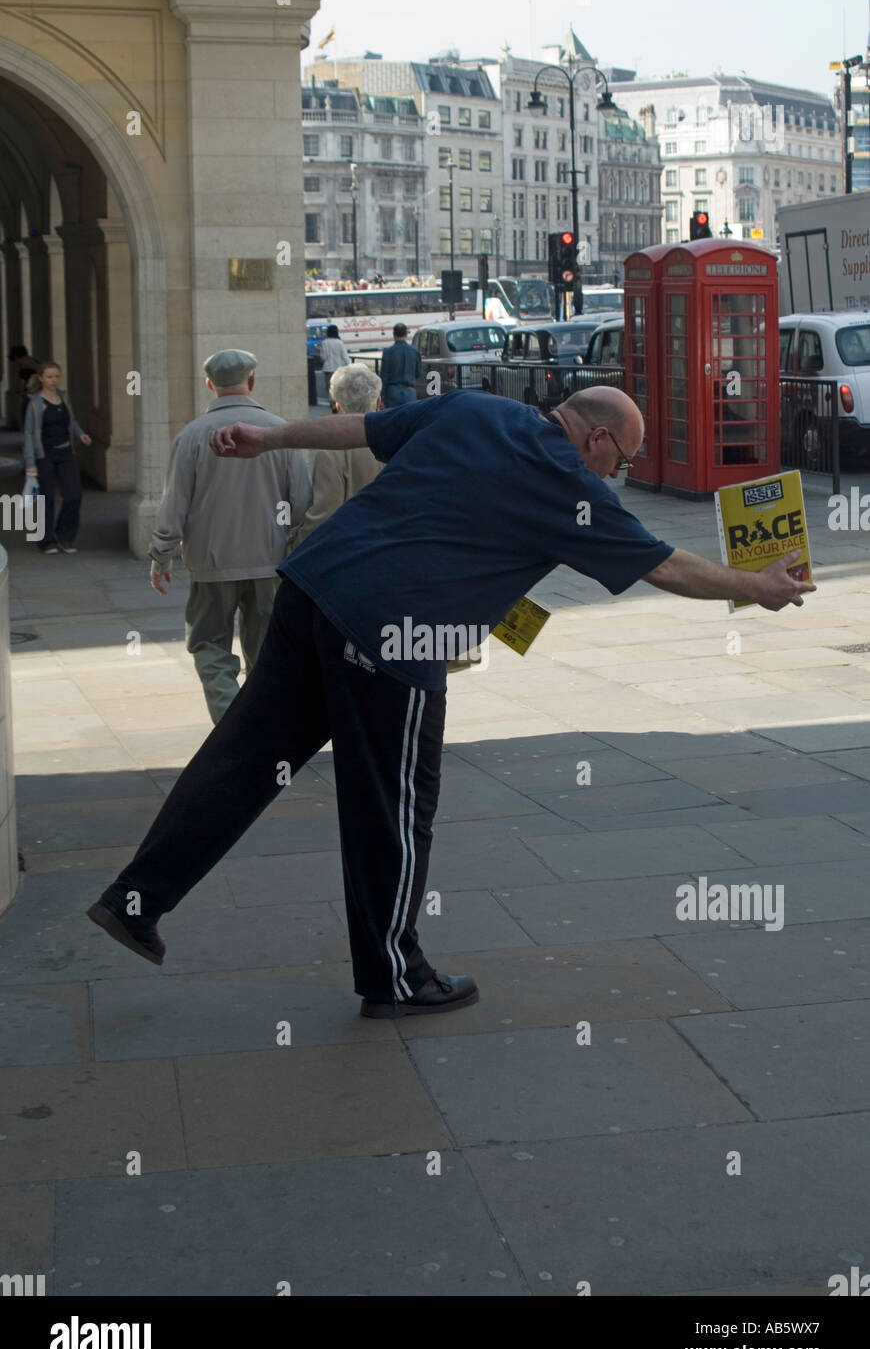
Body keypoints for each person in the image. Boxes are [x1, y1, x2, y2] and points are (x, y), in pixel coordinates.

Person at [87, 387, 815, 1020]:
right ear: (594, 438)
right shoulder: (571, 483)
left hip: (312, 589)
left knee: (242, 759)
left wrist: (267, 437)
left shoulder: (475, 410)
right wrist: (760, 587)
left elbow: (364, 428)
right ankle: (396, 976)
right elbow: (666, 564)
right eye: (620, 461)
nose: (617, 476)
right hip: (390, 635)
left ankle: (135, 901)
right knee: (395, 809)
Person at [148, 349, 312, 724]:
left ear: (210, 385)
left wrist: (162, 555)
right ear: (251, 381)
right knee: (266, 652)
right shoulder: (277, 430)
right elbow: (301, 503)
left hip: (210, 562)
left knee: (209, 645)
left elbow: (174, 503)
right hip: (270, 560)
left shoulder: (190, 437)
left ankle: (229, 723)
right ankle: (258, 730)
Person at [290, 364, 384, 549]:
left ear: (338, 405)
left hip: (352, 552)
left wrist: (294, 548)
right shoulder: (397, 441)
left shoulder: (332, 452)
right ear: (379, 401)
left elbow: (323, 514)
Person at [22, 361, 92, 554]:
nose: (54, 380)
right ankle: (47, 540)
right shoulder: (35, 403)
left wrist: (80, 434)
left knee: (74, 495)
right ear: (42, 378)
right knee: (47, 498)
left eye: (56, 376)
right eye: (50, 377)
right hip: (45, 455)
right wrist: (30, 464)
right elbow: (28, 434)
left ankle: (64, 536)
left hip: (66, 453)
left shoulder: (63, 397)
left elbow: (71, 420)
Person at [379, 323, 422, 408]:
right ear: (406, 334)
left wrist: (382, 397)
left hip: (392, 392)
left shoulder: (388, 352)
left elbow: (384, 376)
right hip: (410, 391)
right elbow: (418, 372)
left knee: (392, 419)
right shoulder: (414, 351)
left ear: (394, 335)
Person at [319, 325, 351, 408]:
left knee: (329, 386)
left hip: (328, 368)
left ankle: (331, 401)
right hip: (339, 368)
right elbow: (345, 356)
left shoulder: (325, 342)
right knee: (338, 385)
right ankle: (338, 402)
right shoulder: (340, 342)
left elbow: (323, 357)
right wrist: (350, 365)